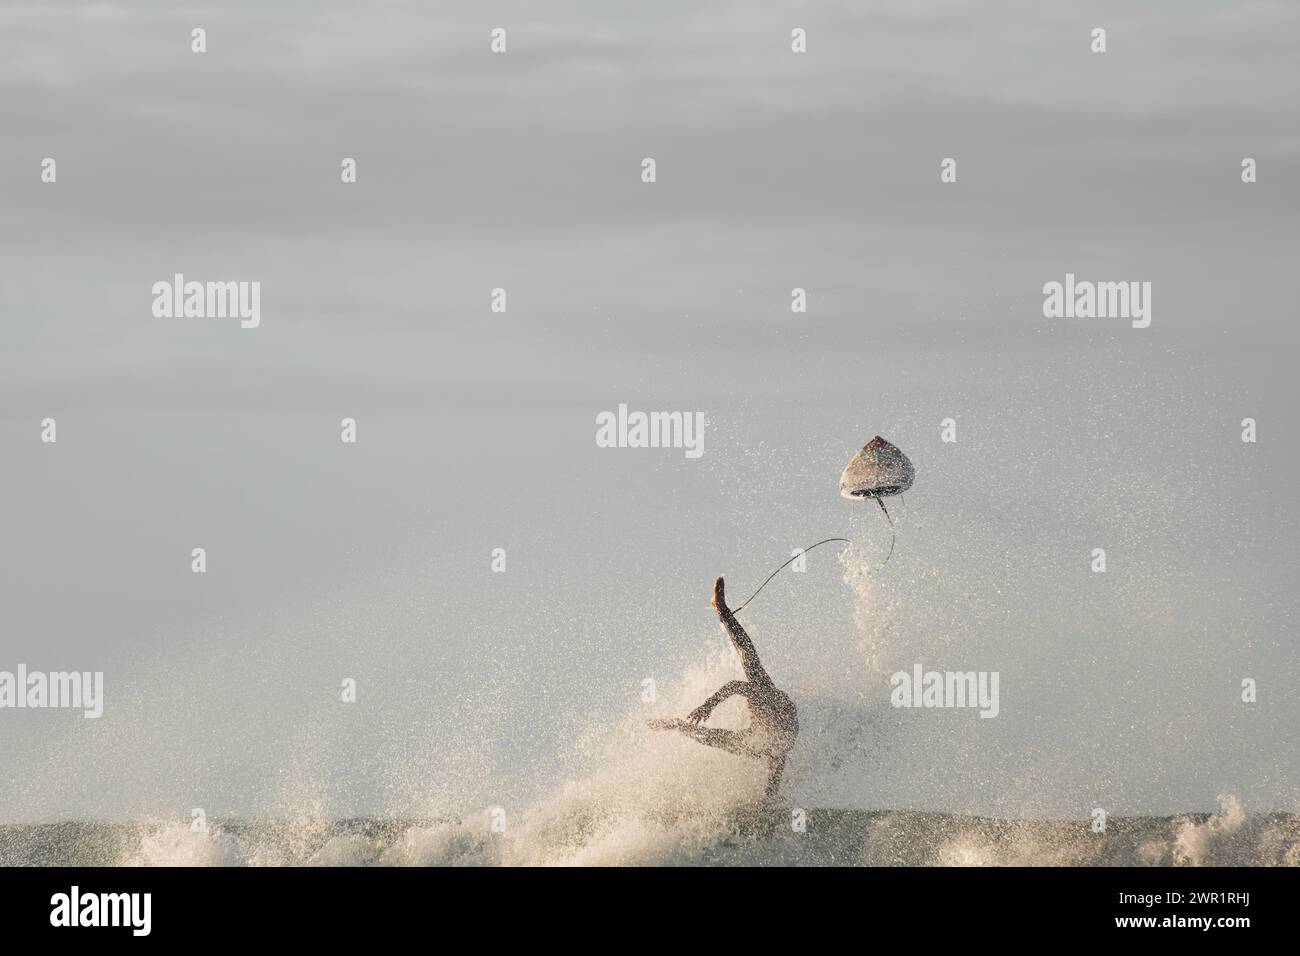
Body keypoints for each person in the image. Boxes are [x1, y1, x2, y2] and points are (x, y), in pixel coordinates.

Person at [647, 576, 799, 800]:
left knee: (710, 737)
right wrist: (707, 706)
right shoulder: (763, 692)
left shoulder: (773, 747)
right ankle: (722, 609)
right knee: (748, 655)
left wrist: (769, 799)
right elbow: (735, 686)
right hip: (774, 713)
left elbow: (775, 771)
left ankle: (676, 725)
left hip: (775, 728)